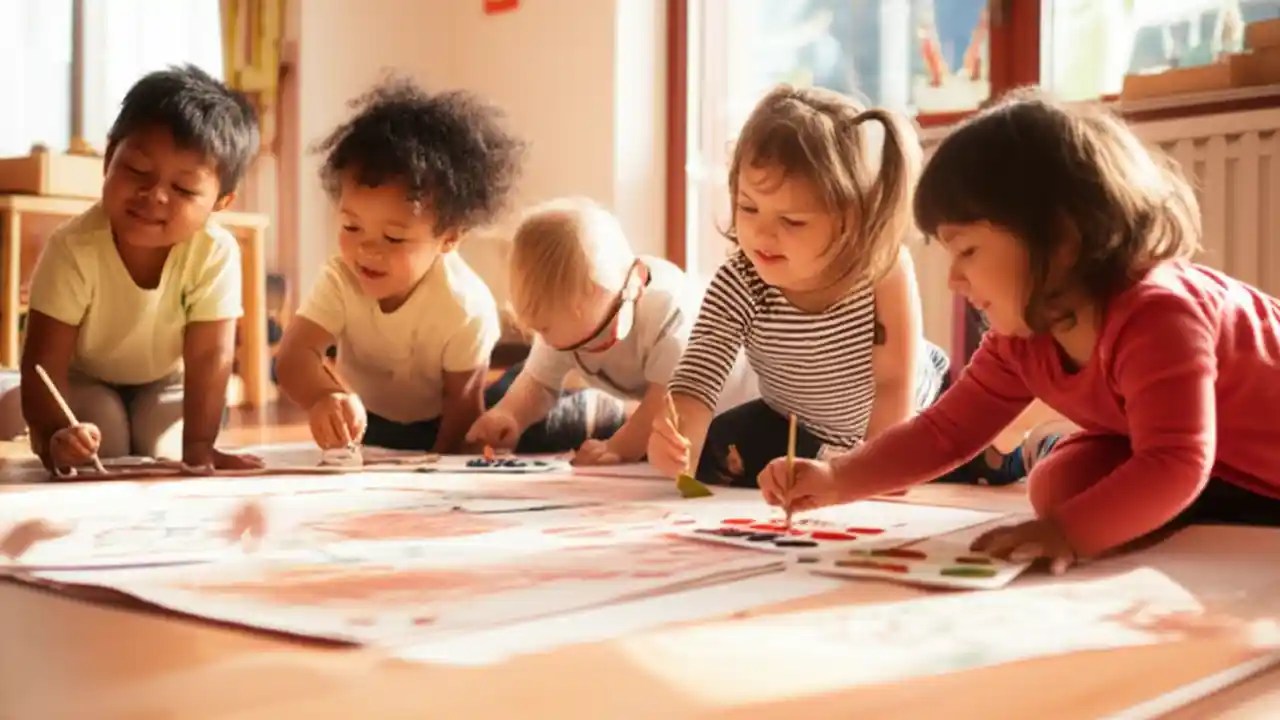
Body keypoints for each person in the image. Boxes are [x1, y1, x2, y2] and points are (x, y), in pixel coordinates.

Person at [759, 90, 1280, 573]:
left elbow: (1175, 459)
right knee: (1058, 484)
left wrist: (1065, 535)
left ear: (1060, 239)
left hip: (1240, 461)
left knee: (1088, 505)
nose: (954, 279)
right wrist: (836, 479)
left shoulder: (1160, 315)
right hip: (1217, 468)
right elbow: (946, 431)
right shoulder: (1022, 336)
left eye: (967, 251)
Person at [649, 84, 949, 486]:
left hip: (912, 410)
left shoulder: (883, 269)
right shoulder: (739, 281)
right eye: (748, 207)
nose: (761, 233)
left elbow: (895, 383)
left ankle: (1027, 447)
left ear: (850, 219)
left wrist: (873, 471)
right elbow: (697, 379)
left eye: (792, 221)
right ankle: (829, 458)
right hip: (798, 421)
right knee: (718, 448)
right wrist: (675, 443)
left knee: (966, 450)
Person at [10, 65, 260, 473]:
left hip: (164, 382)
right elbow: (43, 363)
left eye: (183, 189)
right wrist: (53, 436)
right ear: (109, 159)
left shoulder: (215, 252)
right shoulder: (73, 248)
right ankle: (9, 397)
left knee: (164, 449)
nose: (155, 195)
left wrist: (200, 446)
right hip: (85, 378)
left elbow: (210, 356)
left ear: (220, 203)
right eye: (138, 171)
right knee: (103, 441)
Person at [275, 77, 522, 453]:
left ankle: (575, 405)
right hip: (370, 422)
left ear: (450, 238)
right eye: (351, 227)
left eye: (393, 238)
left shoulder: (464, 306)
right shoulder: (341, 279)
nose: (366, 250)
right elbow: (293, 357)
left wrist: (434, 472)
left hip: (442, 422)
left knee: (512, 424)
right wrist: (325, 396)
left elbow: (463, 411)